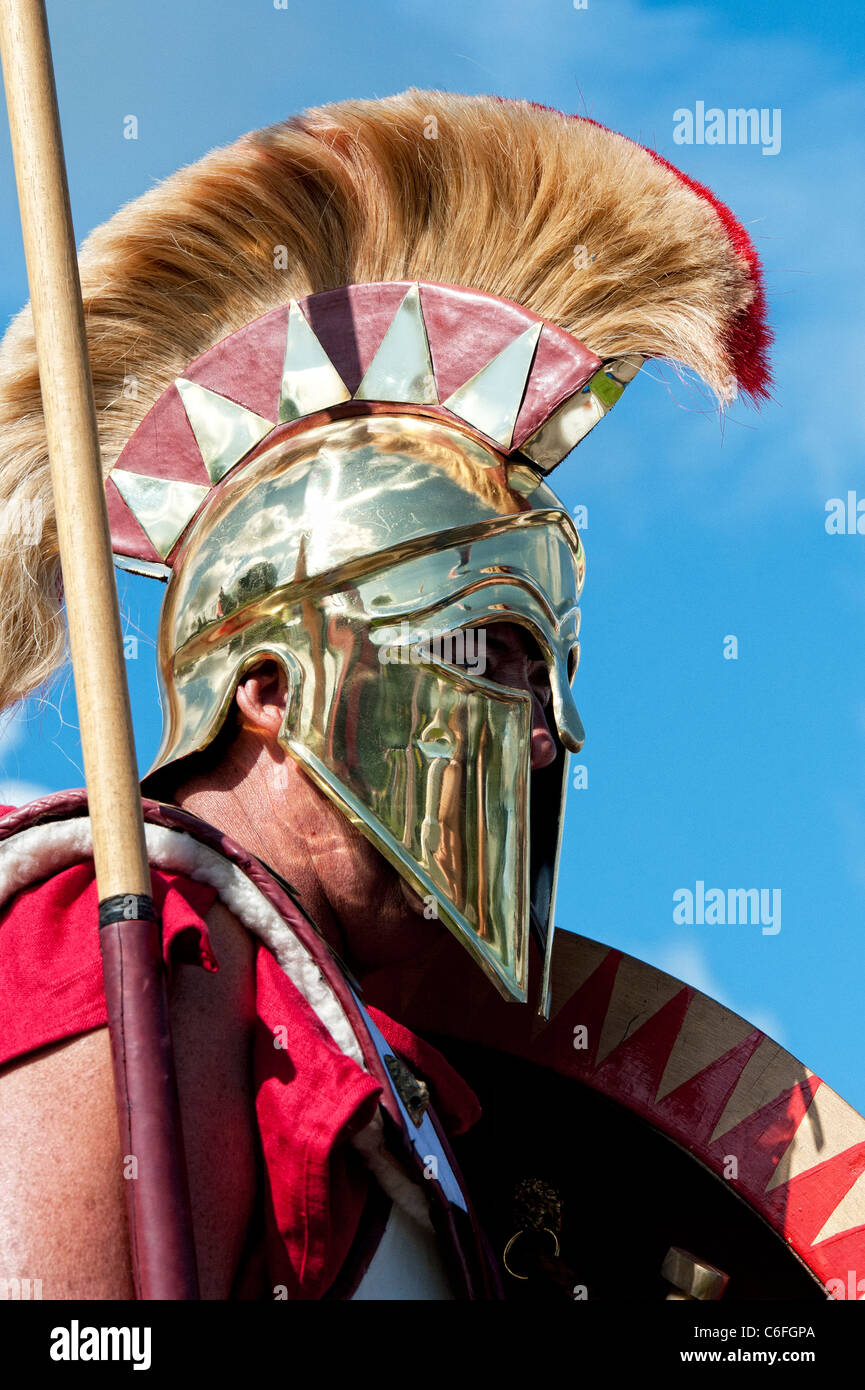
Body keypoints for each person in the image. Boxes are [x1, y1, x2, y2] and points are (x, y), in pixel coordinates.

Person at [0, 91, 770, 1299]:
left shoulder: (397, 1066)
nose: (549, 731)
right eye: (492, 649)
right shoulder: (136, 938)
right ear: (266, 683)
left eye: (549, 673)